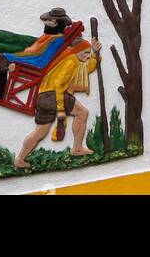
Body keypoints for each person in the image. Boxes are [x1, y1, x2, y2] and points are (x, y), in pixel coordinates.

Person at [11, 17, 101, 169]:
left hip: (42, 98)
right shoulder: (71, 62)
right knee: (82, 112)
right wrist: (60, 110)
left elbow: (89, 66)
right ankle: (77, 148)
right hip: (53, 96)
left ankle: (20, 159)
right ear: (77, 51)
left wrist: (95, 53)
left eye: (88, 54)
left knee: (41, 131)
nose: (87, 57)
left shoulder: (75, 62)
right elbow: (59, 85)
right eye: (85, 53)